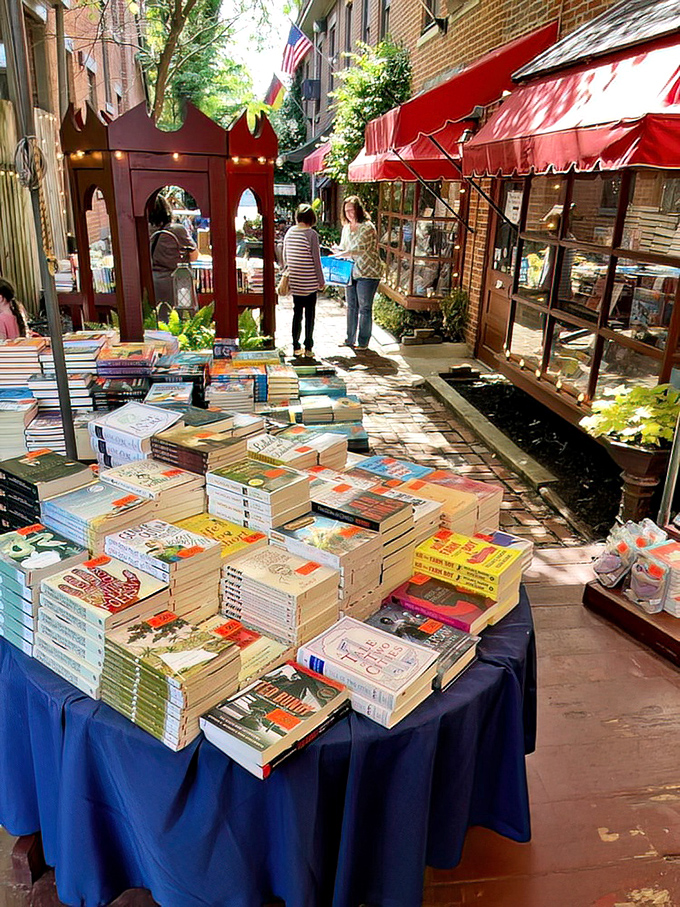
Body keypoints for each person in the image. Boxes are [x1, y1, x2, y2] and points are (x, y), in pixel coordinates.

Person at [335, 195, 382, 350]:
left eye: (352, 209)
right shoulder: (346, 227)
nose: (349, 213)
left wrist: (343, 253)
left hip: (367, 272)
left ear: (358, 210)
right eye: (346, 210)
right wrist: (337, 251)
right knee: (351, 306)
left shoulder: (368, 227)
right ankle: (350, 339)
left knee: (365, 307)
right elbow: (344, 247)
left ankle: (363, 343)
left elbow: (360, 248)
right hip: (351, 271)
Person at [282, 203, 325, 358]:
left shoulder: (289, 232)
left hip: (295, 280)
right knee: (310, 316)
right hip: (310, 282)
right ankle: (308, 347)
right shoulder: (311, 234)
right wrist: (321, 281)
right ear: (312, 218)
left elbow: (285, 255)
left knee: (297, 313)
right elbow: (316, 260)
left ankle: (295, 346)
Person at [149, 195, 198, 310]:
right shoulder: (177, 230)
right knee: (182, 319)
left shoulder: (142, 231)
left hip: (153, 285)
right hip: (178, 284)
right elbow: (194, 256)